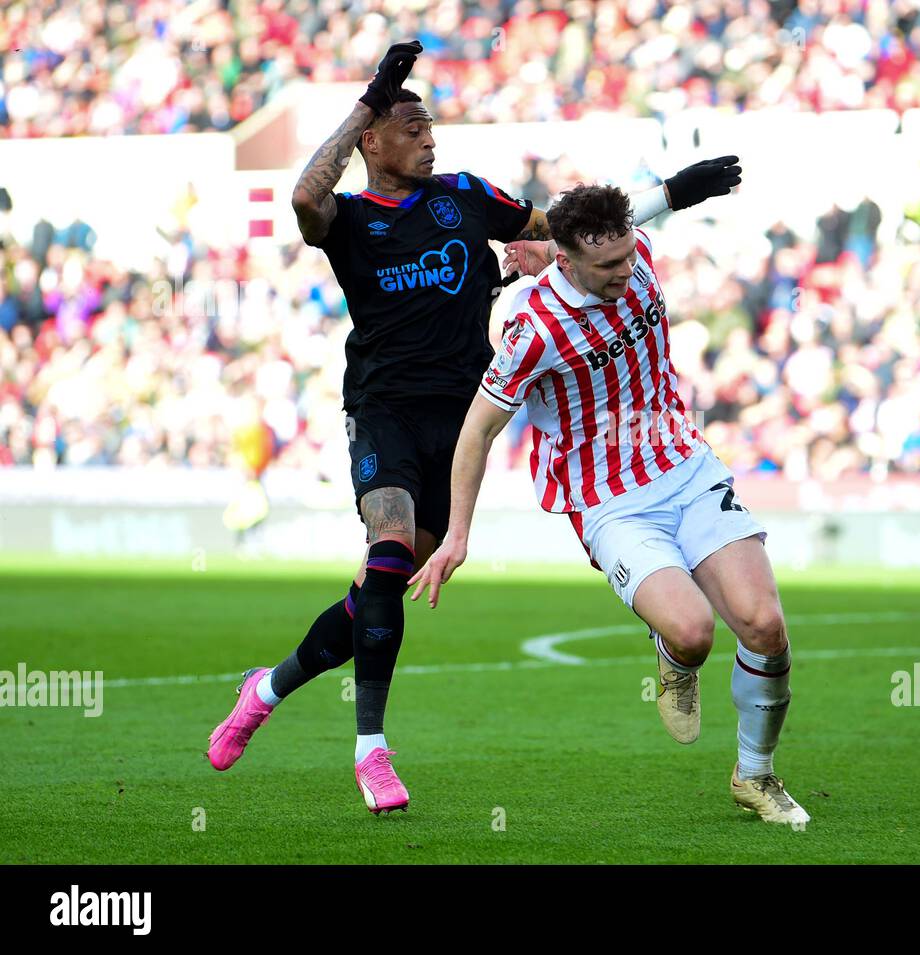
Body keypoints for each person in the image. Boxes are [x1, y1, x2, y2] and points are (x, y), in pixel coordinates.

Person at [206, 40, 735, 816]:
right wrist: (370, 92)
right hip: (383, 407)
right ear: (371, 143)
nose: (429, 137)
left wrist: (670, 194)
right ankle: (372, 751)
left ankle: (269, 685)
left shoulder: (464, 196)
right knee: (386, 555)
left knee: (372, 597)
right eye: (411, 126)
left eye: (431, 126)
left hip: (460, 418)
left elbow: (572, 229)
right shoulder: (349, 219)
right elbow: (303, 199)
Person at [408, 176, 811, 825]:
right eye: (609, 264)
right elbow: (478, 429)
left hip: (684, 465)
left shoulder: (636, 252)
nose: (627, 269)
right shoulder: (533, 328)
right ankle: (674, 656)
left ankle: (756, 774)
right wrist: (457, 532)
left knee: (765, 625)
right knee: (692, 631)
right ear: (566, 259)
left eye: (629, 254)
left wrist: (682, 189)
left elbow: (642, 213)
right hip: (611, 501)